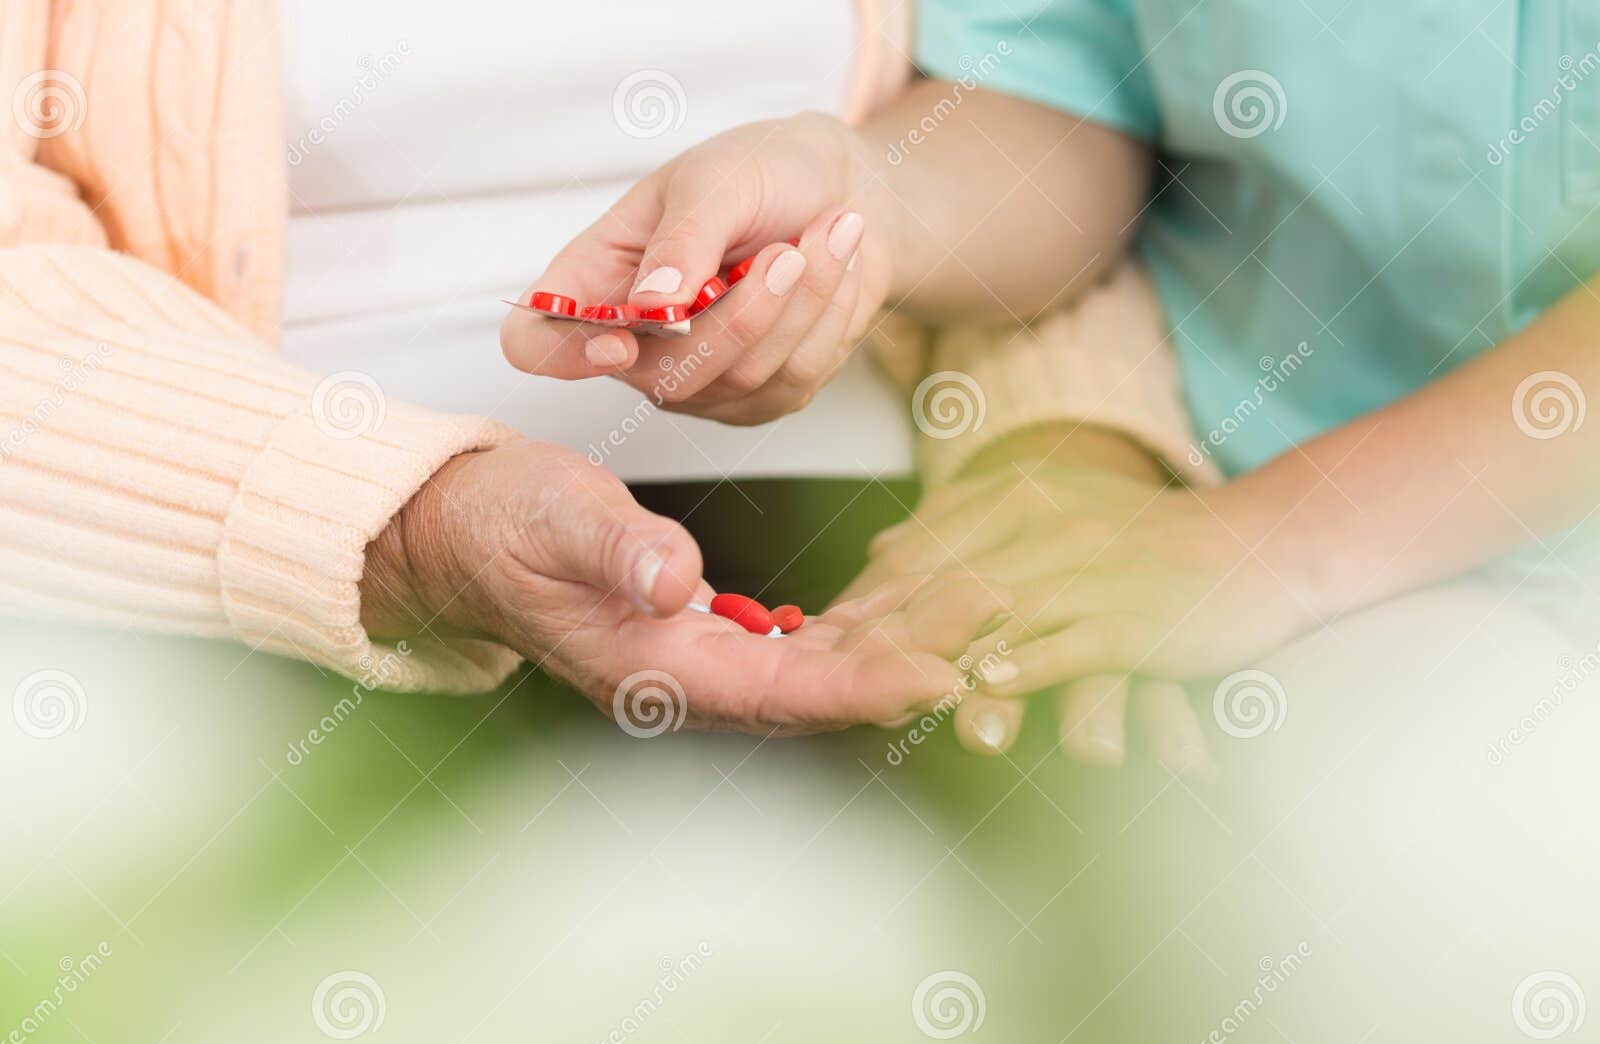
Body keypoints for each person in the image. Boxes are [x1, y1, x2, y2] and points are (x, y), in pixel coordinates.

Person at [506, 0, 1600, 766]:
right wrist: (869, 197)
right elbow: (1066, 98)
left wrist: (1259, 546)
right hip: (1190, 472)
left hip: (1275, 547)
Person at [0, 0, 1004, 734]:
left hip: (884, 542)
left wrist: (1083, 445)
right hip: (261, 626)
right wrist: (409, 527)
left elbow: (1089, 101)